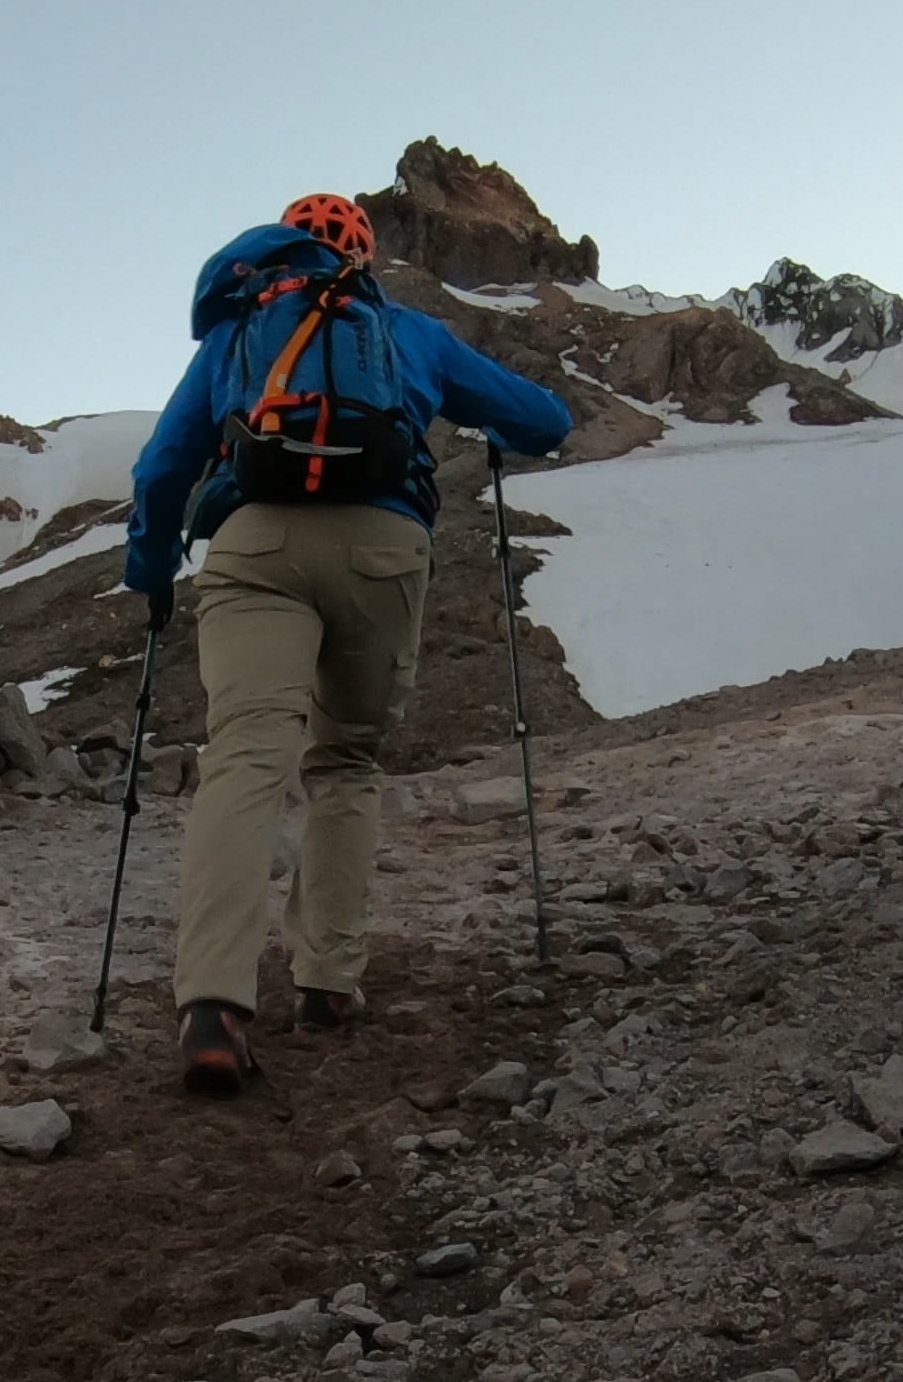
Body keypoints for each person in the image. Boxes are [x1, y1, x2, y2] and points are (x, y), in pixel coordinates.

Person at [123, 192, 572, 1094]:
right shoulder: (404, 331)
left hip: (255, 545)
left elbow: (163, 464)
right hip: (381, 546)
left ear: (278, 252)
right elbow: (546, 421)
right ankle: (327, 984)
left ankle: (211, 1008)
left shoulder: (237, 335)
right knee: (348, 763)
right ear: (361, 257)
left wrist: (150, 574)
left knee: (246, 756)